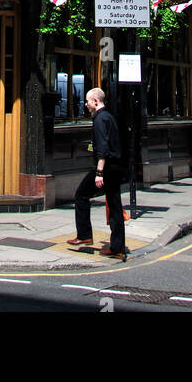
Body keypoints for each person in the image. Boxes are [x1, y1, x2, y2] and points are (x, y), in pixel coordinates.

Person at [67, 87, 127, 259]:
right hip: (116, 166)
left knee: (81, 195)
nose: (86, 104)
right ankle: (118, 248)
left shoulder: (100, 119)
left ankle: (84, 235)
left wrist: (99, 172)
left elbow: (103, 146)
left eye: (87, 101)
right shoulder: (109, 117)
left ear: (95, 101)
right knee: (115, 206)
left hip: (106, 168)